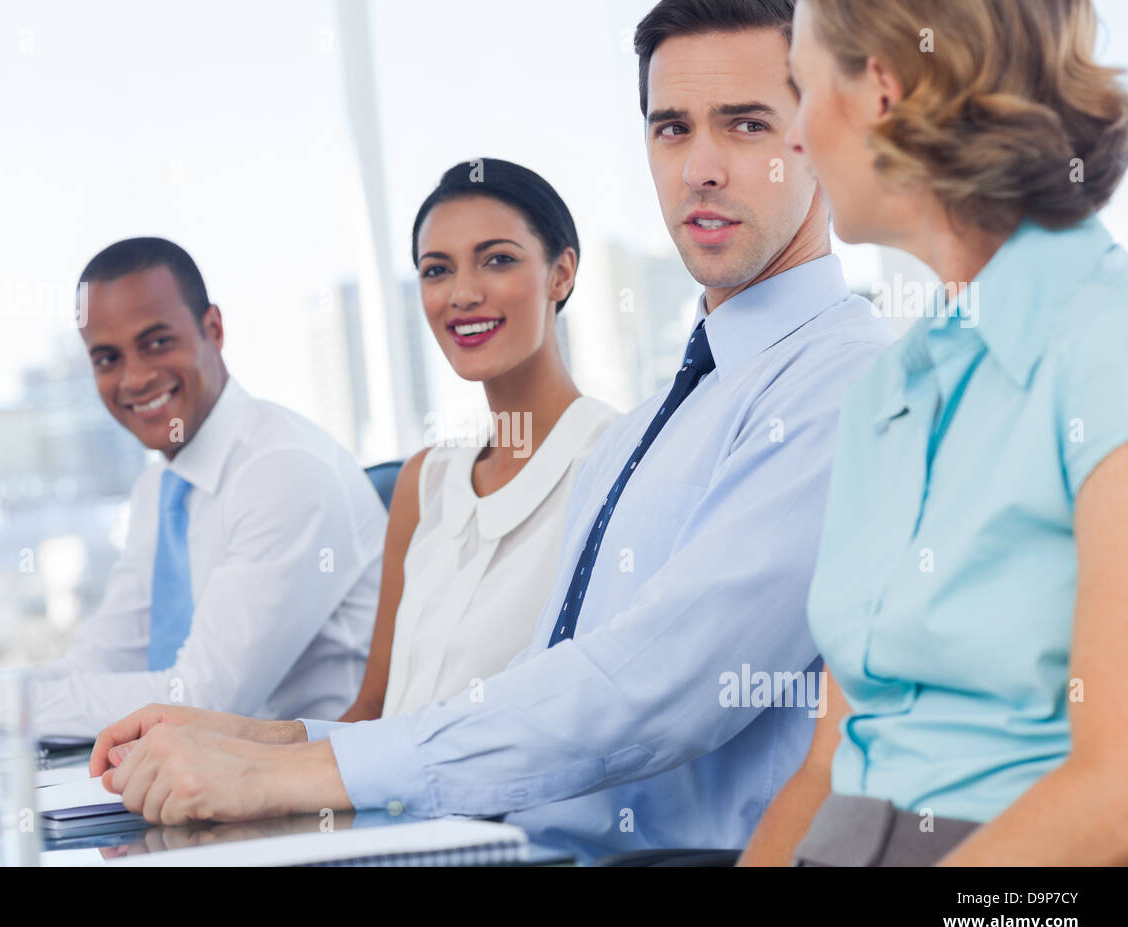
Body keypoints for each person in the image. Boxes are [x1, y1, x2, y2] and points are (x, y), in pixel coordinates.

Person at [89, 0, 893, 858]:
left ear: (818, 129)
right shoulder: (653, 427)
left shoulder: (846, 386)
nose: (699, 166)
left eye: (745, 125)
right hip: (512, 838)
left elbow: (656, 689)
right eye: (670, 128)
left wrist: (288, 776)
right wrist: (259, 744)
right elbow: (532, 684)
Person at [738, 0, 1128, 866]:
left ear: (883, 88)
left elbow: (1115, 796)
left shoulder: (1108, 351)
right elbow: (831, 760)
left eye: (802, 86)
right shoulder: (884, 393)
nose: (794, 137)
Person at [18, 237, 387, 736]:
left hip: (323, 791)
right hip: (215, 783)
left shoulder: (282, 471)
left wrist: (0, 710)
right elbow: (100, 661)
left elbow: (201, 699)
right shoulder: (159, 491)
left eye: (156, 343)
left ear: (212, 329)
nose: (135, 378)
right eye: (107, 359)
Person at [337, 159, 618, 723]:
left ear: (561, 273)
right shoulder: (425, 481)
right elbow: (373, 709)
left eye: (497, 260)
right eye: (436, 271)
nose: (462, 294)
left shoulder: (616, 464)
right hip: (389, 804)